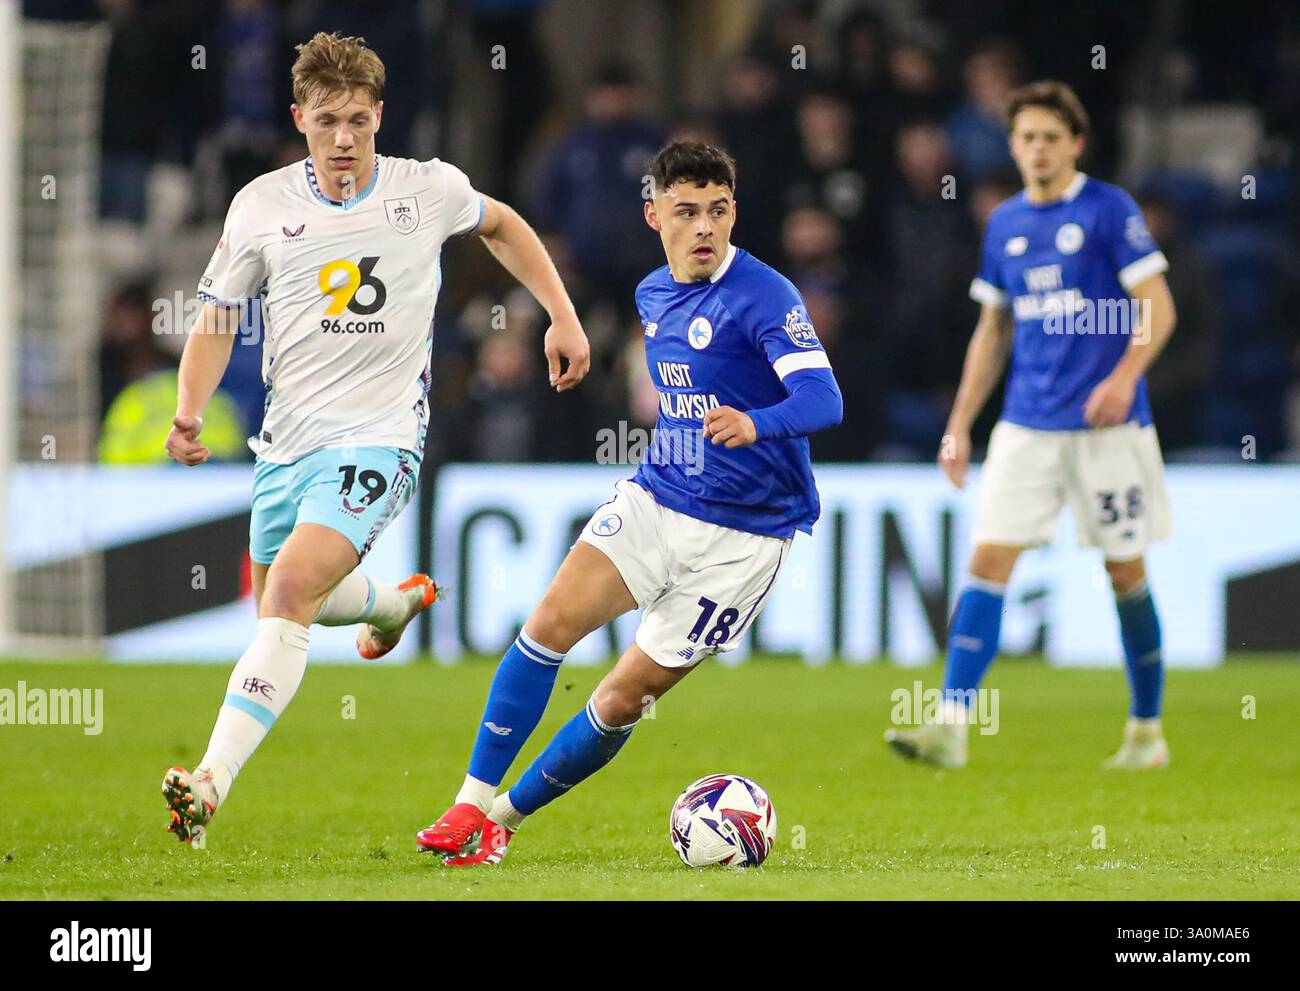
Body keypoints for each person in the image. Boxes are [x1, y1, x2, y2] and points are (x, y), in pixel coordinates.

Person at [160, 32, 589, 846]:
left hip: (380, 442)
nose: (346, 138)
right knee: (283, 593)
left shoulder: (426, 190)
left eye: (359, 118)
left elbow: (504, 227)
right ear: (299, 119)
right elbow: (217, 316)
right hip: (285, 447)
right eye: (327, 121)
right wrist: (190, 408)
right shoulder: (261, 205)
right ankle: (392, 605)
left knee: (286, 593)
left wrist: (563, 318)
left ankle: (208, 784)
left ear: (381, 115)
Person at [415, 141, 843, 866]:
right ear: (655, 216)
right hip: (657, 497)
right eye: (686, 212)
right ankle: (466, 802)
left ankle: (503, 821)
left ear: (733, 212)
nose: (704, 226)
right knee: (548, 624)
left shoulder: (766, 295)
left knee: (619, 699)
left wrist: (757, 422)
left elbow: (823, 398)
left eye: (717, 210)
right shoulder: (653, 294)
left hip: (744, 538)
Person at [884, 81, 1177, 770]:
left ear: (1075, 143)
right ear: (1012, 145)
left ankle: (1146, 731)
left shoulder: (1110, 210)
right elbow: (993, 329)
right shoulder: (1007, 223)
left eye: (1051, 136)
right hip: (1026, 423)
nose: (1038, 149)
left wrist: (1123, 377)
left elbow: (1157, 307)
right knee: (988, 561)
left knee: (1124, 570)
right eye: (1027, 138)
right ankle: (951, 725)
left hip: (1109, 427)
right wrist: (959, 421)